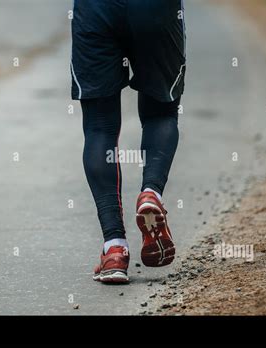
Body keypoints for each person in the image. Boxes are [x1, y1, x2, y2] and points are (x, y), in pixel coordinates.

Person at [70, 0, 186, 283]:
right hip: (155, 10)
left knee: (99, 127)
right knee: (161, 112)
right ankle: (150, 193)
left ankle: (115, 248)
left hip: (95, 12)